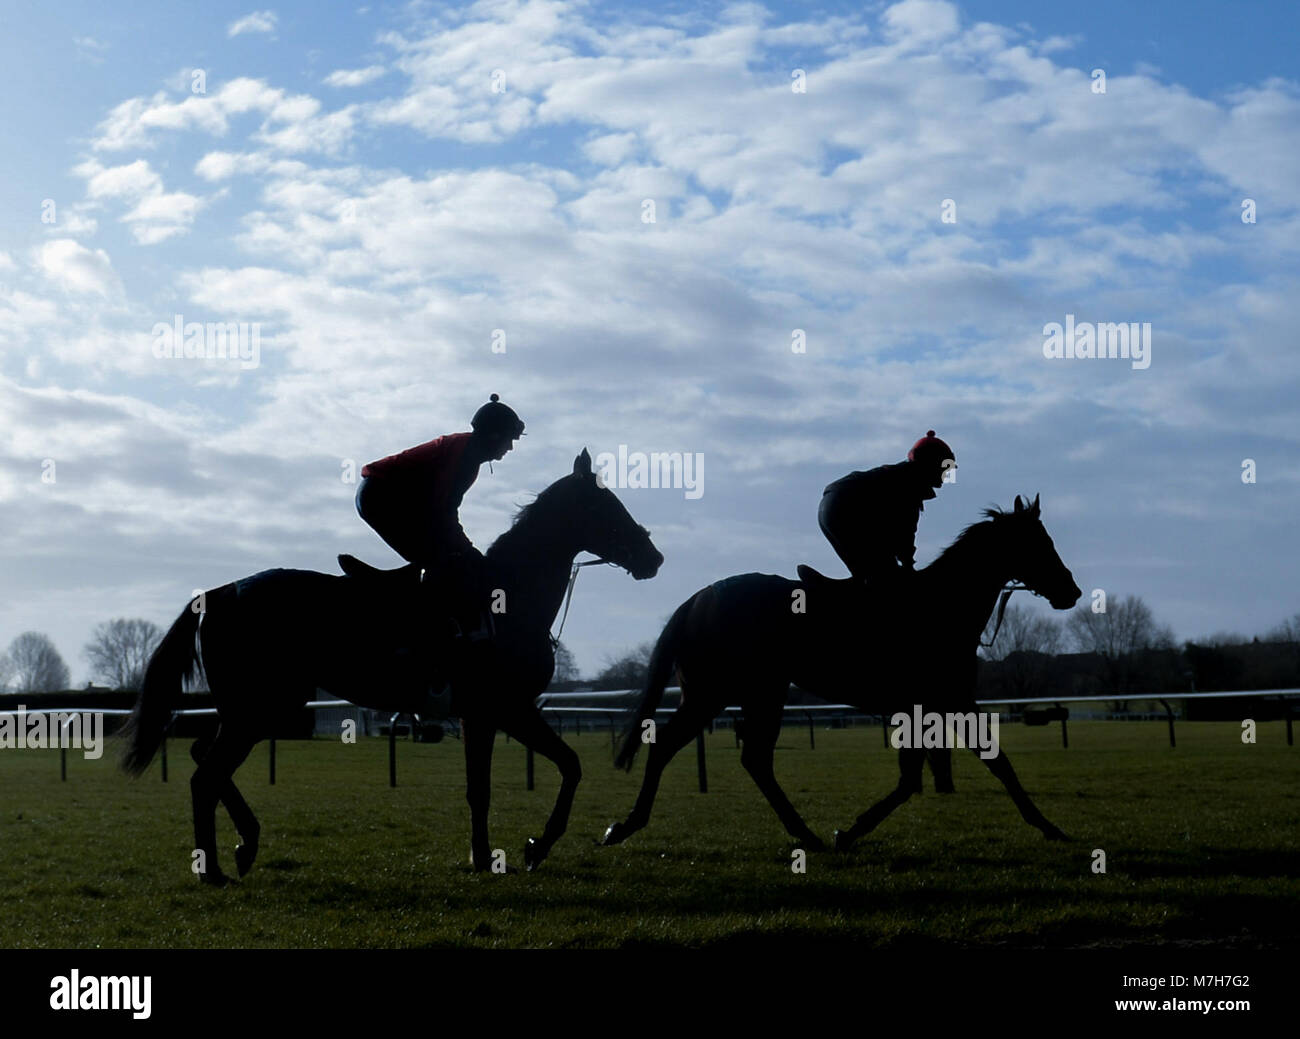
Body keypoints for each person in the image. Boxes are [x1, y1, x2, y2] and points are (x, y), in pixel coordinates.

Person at [355, 394, 524, 636]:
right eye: (509, 440)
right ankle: (423, 629)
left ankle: (429, 620)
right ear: (493, 436)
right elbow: (440, 511)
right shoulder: (461, 455)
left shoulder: (469, 456)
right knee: (444, 561)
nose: (509, 447)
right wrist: (467, 549)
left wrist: (465, 549)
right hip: (381, 496)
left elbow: (444, 512)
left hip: (391, 497)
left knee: (450, 558)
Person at [817, 430, 956, 595]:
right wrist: (908, 566)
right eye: (945, 470)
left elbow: (898, 531)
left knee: (870, 575)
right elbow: (905, 530)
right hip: (844, 508)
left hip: (832, 506)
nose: (947, 475)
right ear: (931, 466)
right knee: (884, 576)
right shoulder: (910, 484)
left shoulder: (902, 476)